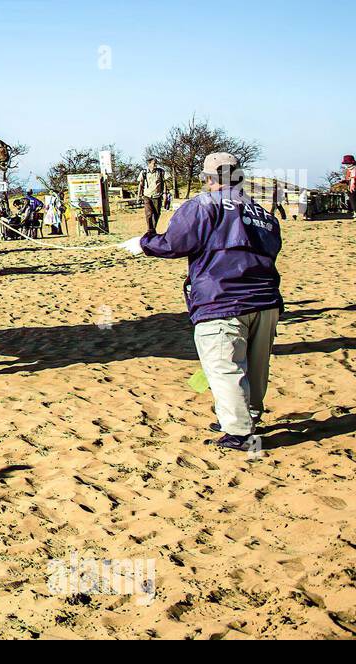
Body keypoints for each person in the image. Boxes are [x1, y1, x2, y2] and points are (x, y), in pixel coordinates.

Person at [117, 152, 282, 452]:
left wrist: (144, 243)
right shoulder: (261, 212)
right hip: (266, 300)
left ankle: (239, 432)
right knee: (257, 366)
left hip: (221, 300)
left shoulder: (202, 206)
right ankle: (249, 417)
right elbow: (273, 248)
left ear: (209, 179)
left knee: (225, 367)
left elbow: (175, 243)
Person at [138, 158, 168, 234]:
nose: (155, 165)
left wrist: (165, 194)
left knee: (157, 213)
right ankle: (149, 229)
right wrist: (139, 195)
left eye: (156, 163)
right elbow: (140, 184)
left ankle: (153, 229)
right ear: (149, 164)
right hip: (147, 195)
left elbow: (164, 183)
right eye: (153, 163)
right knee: (149, 213)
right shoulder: (144, 172)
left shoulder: (161, 172)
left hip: (157, 196)